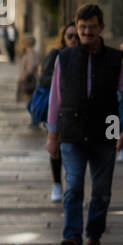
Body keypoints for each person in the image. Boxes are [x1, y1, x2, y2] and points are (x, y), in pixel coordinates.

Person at [46, 4, 123, 245]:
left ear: (101, 28)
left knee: (101, 189)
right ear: (77, 27)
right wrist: (52, 134)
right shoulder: (63, 59)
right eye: (82, 27)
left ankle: (93, 235)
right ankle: (72, 237)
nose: (87, 32)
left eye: (92, 27)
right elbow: (55, 98)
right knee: (73, 185)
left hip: (107, 128)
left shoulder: (114, 59)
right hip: (72, 129)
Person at [35, 22, 78, 201]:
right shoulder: (56, 54)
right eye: (70, 36)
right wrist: (60, 77)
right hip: (58, 109)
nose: (74, 39)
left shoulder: (86, 55)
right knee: (56, 148)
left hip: (78, 111)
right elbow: (43, 79)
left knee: (74, 150)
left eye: (77, 36)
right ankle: (57, 184)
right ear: (63, 37)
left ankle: (72, 185)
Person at [15, 35, 40, 103]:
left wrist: (24, 77)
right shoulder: (32, 52)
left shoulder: (30, 53)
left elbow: (30, 67)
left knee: (29, 100)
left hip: (28, 80)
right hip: (29, 79)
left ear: (26, 44)